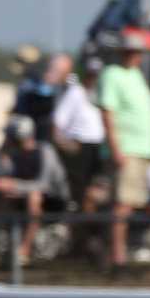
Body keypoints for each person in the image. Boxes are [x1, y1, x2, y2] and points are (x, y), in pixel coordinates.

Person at [96, 34, 150, 272]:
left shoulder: (136, 76)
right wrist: (116, 149)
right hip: (126, 148)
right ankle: (116, 259)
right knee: (121, 206)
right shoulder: (112, 74)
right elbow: (108, 113)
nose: (135, 56)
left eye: (138, 52)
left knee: (131, 205)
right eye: (131, 51)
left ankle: (117, 254)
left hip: (141, 149)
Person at [0, 114, 70, 264]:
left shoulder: (44, 152)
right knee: (5, 196)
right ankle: (0, 242)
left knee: (33, 197)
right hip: (24, 195)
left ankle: (24, 250)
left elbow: (44, 184)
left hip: (52, 200)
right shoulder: (12, 155)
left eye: (10, 136)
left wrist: (14, 185)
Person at [49, 52, 106, 207]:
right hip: (80, 147)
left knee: (97, 191)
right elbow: (58, 122)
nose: (93, 78)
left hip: (98, 148)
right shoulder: (76, 92)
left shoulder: (103, 93)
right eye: (90, 74)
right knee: (80, 192)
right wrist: (64, 144)